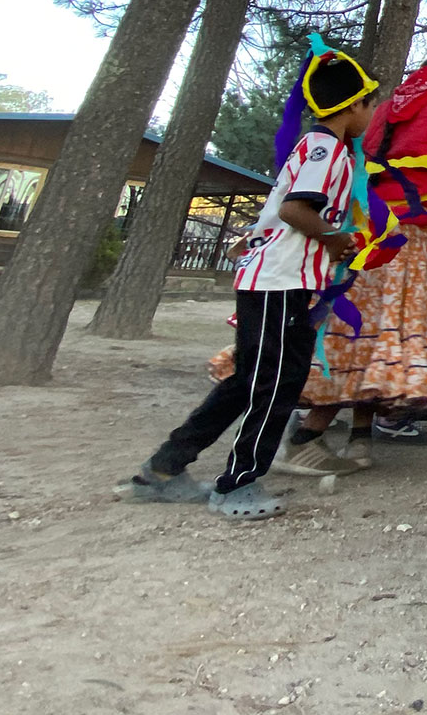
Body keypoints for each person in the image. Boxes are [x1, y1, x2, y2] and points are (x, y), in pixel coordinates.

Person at [126, 44, 379, 519]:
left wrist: (332, 241)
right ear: (353, 105)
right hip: (280, 282)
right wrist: (334, 238)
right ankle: (238, 484)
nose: (372, 115)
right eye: (370, 105)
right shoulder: (325, 149)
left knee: (247, 381)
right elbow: (295, 210)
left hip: (273, 280)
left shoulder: (322, 149)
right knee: (277, 385)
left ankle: (162, 470)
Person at [279, 53, 427, 472]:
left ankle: (360, 436)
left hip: (368, 225)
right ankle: (307, 436)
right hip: (413, 234)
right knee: (381, 333)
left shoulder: (384, 108)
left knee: (365, 329)